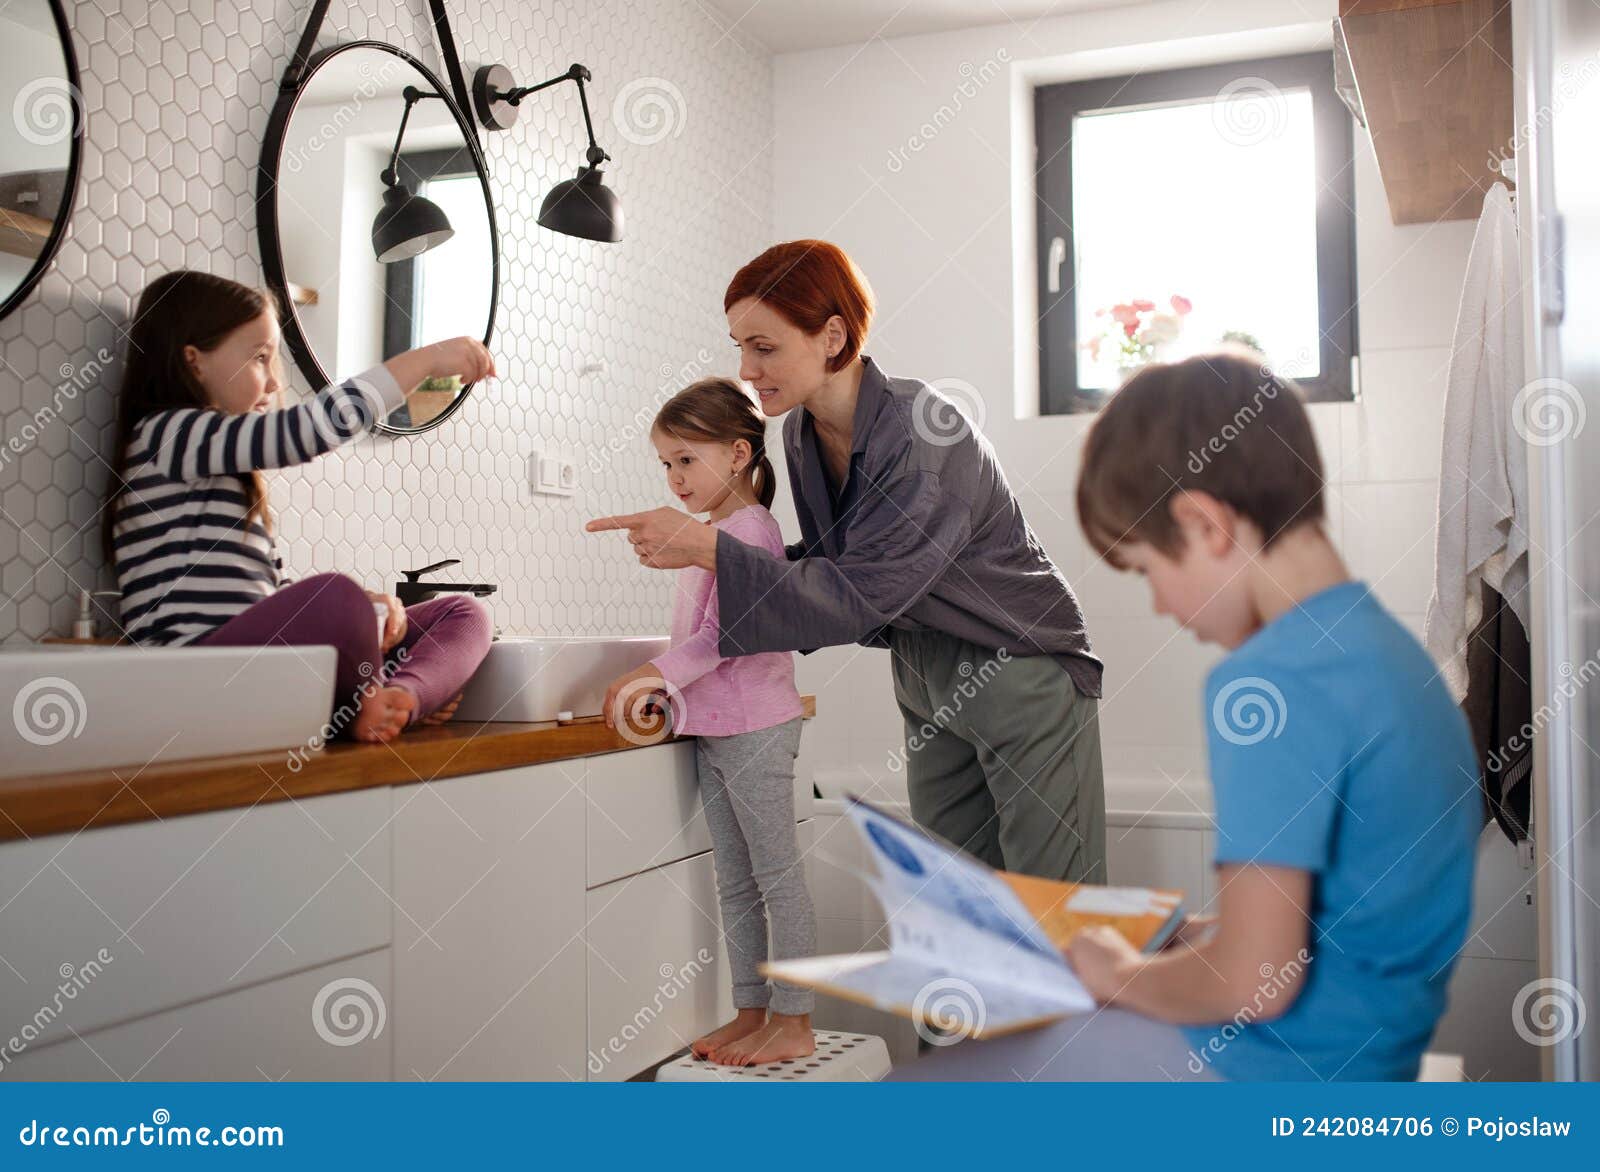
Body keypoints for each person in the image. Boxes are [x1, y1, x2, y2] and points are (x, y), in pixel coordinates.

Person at [897, 352, 1480, 1081]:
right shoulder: (1395, 656)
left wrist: (1117, 973)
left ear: (1204, 524)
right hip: (1371, 1058)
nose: (1160, 605)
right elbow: (1345, 921)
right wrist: (1202, 934)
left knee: (923, 1090)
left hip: (1275, 1071)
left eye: (1146, 570)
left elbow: (1248, 985)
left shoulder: (1272, 682)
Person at [588, 240, 1106, 883]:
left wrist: (710, 548)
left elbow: (865, 589)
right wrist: (729, 551)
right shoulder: (803, 432)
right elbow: (841, 558)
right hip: (923, 666)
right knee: (960, 898)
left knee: (1056, 906)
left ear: (832, 336)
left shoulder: (922, 432)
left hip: (1016, 662)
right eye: (740, 346)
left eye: (765, 346)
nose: (746, 369)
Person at [102, 270, 496, 743]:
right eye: (259, 358)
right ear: (194, 362)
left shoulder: (224, 472)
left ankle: (400, 699)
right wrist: (427, 360)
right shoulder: (165, 436)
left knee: (464, 614)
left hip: (258, 671)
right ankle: (368, 703)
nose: (272, 381)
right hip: (191, 676)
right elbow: (310, 430)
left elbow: (267, 597)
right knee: (335, 596)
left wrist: (367, 612)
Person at [599, 377, 816, 1065]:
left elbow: (726, 638)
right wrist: (668, 688)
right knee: (736, 879)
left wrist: (651, 675)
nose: (674, 477)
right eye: (665, 463)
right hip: (717, 727)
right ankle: (753, 1011)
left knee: (777, 878)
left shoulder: (750, 530)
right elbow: (695, 632)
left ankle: (797, 1020)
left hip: (755, 725)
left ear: (737, 453)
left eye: (686, 459)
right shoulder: (714, 533)